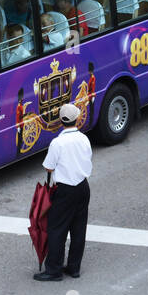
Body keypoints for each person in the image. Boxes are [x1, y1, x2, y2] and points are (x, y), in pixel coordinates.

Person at [34, 103, 92, 281]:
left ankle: (54, 270)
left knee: (57, 229)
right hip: (83, 187)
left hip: (64, 190)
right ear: (77, 119)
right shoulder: (84, 139)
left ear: (61, 121)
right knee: (78, 229)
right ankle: (74, 267)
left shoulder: (57, 143)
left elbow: (48, 167)